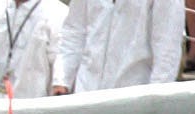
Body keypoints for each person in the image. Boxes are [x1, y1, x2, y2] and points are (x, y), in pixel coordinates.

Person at [50, 0, 181, 94]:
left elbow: (167, 49)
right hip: (86, 91)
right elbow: (74, 31)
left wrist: (156, 98)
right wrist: (62, 80)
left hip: (133, 96)